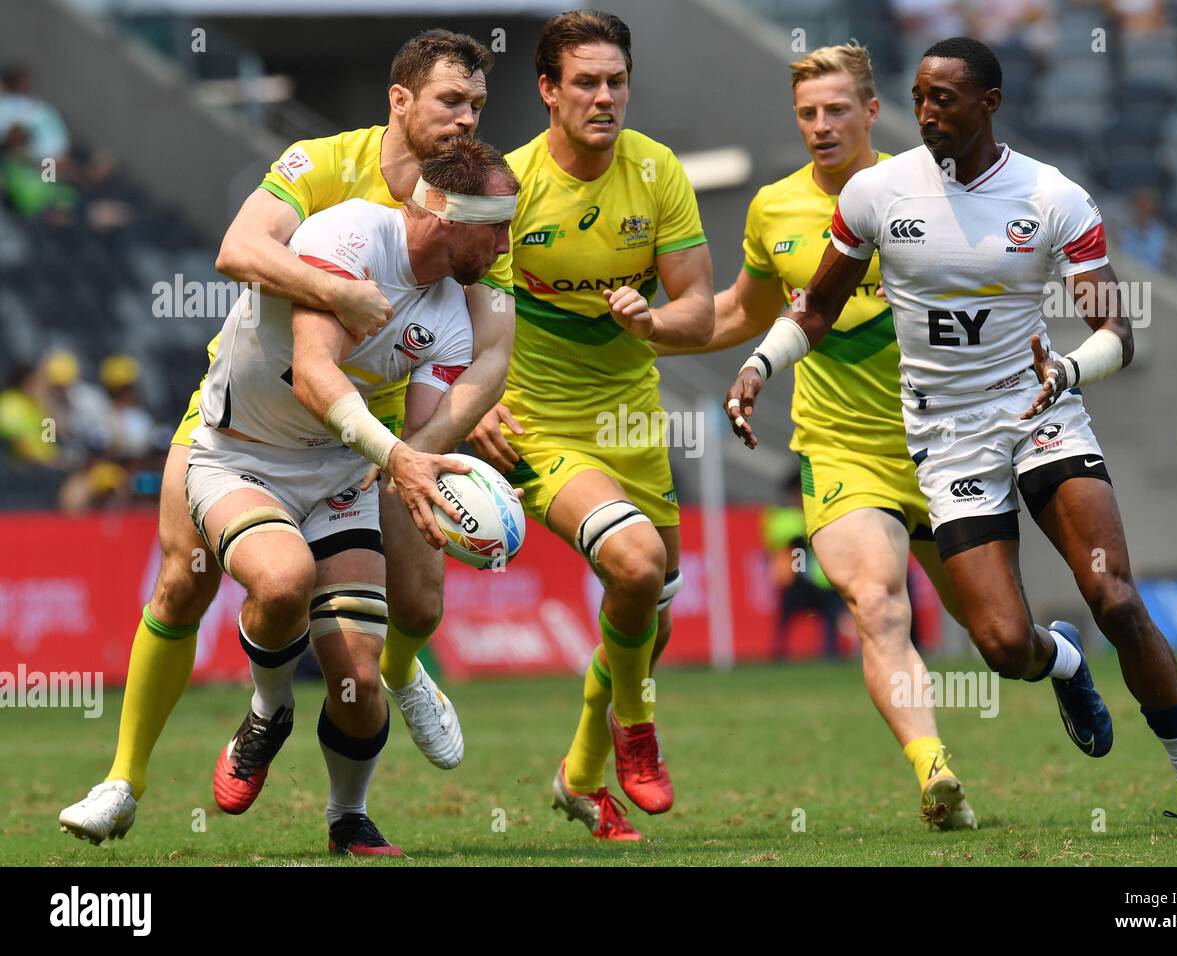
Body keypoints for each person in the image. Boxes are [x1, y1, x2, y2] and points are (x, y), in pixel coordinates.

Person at [726, 36, 1177, 838]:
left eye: (945, 100)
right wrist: (762, 363)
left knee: (1113, 595)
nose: (927, 113)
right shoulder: (876, 194)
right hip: (948, 439)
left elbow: (1115, 331)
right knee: (1002, 646)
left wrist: (1069, 374)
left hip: (1042, 415)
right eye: (921, 96)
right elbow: (817, 308)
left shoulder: (1051, 196)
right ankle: (1062, 662)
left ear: (989, 104)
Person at [59, 29, 513, 845]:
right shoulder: (327, 170)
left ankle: (385, 727)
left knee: (410, 609)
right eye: (451, 100)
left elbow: (487, 352)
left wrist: (428, 450)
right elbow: (238, 250)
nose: (465, 118)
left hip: (357, 444)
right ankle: (125, 779)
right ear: (399, 100)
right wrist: (341, 297)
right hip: (244, 423)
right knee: (187, 585)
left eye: (477, 102)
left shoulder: (479, 203)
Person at [659, 42, 976, 829]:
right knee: (876, 604)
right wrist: (643, 333)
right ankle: (933, 768)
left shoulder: (933, 190)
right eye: (807, 113)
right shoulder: (774, 208)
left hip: (950, 446)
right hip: (840, 447)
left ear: (873, 113)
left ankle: (1057, 658)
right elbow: (742, 312)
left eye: (838, 110)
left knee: (1000, 636)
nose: (821, 126)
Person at [467, 10, 714, 841]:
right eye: (585, 82)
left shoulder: (658, 172)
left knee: (652, 609)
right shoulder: (510, 184)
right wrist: (481, 404)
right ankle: (635, 732)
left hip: (634, 426)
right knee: (636, 564)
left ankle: (577, 778)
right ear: (547, 90)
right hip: (539, 425)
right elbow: (462, 311)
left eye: (616, 81)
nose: (604, 97)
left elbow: (701, 313)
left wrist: (652, 322)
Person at [761, 470, 846, 661]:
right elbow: (784, 539)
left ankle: (831, 653)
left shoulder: (821, 512)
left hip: (823, 582)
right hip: (795, 581)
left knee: (832, 613)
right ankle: (779, 654)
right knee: (786, 615)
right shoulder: (783, 517)